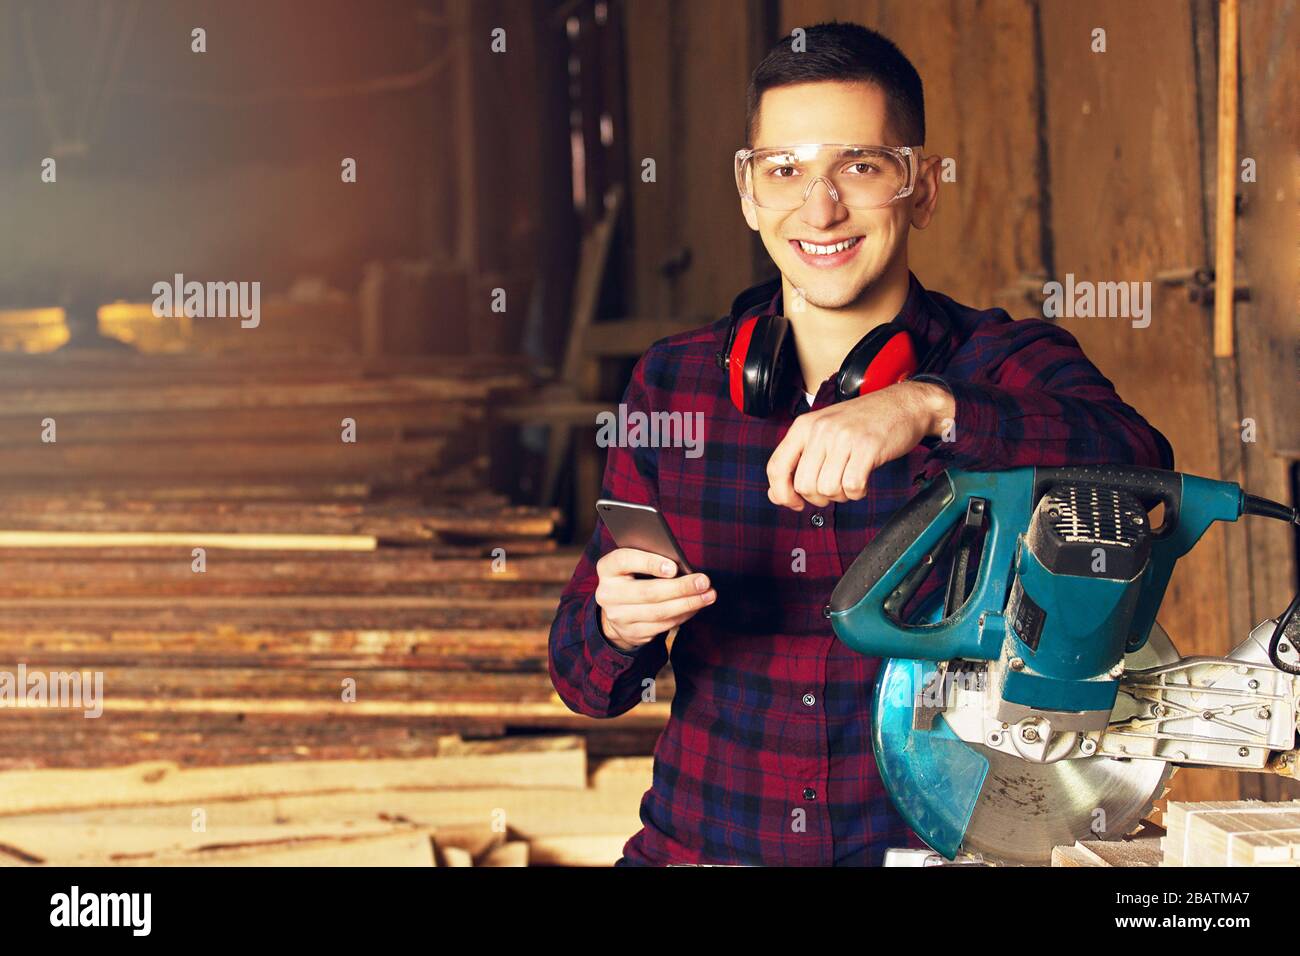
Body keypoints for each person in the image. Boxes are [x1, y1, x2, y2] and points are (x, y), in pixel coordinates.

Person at [548, 21, 1173, 866]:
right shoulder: (673, 386)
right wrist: (615, 626)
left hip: (936, 855)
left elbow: (1143, 467)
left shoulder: (1005, 362)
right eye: (786, 172)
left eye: (859, 167)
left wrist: (932, 408)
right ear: (748, 192)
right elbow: (581, 680)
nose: (820, 207)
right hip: (699, 847)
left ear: (922, 186)